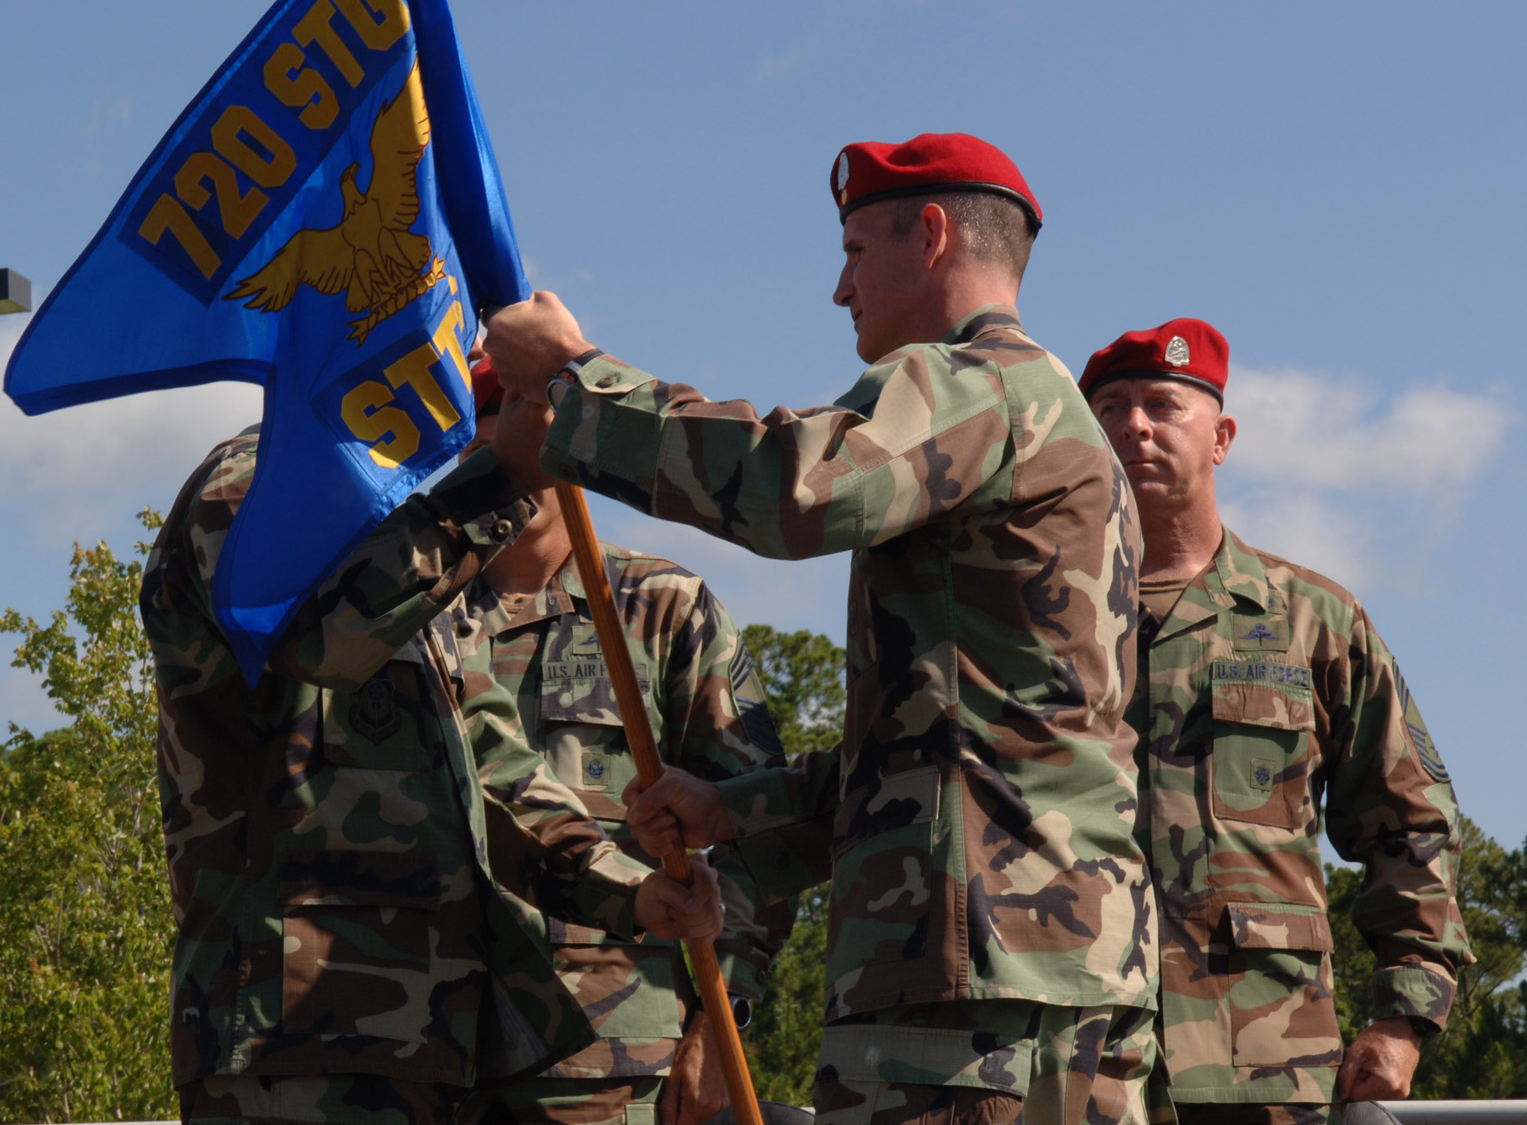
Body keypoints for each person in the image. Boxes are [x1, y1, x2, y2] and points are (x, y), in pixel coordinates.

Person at [483, 132, 1154, 1125]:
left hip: (977, 988)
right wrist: (734, 808)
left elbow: (791, 489)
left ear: (930, 235)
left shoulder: (974, 384)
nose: (840, 290)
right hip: (1049, 972)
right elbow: (957, 750)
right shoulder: (1049, 419)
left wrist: (580, 379)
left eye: (852, 252)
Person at [141, 386, 724, 1125]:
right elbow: (323, 638)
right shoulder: (246, 487)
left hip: (431, 1050)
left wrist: (636, 894)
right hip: (284, 1043)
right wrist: (502, 478)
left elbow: (497, 771)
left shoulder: (403, 544)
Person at [1078, 318, 1473, 1124]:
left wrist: (1403, 1017)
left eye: (1162, 404)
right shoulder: (1033, 620)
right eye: (1111, 409)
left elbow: (1413, 820)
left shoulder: (1312, 620)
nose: (1134, 426)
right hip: (1072, 1060)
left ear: (1220, 437)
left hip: (1263, 1066)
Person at [450, 362, 795, 1125]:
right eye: (482, 451)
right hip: (431, 1045)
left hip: (608, 1059)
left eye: (523, 447)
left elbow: (756, 829)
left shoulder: (660, 610)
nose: (504, 475)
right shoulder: (417, 618)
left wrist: (720, 1017)